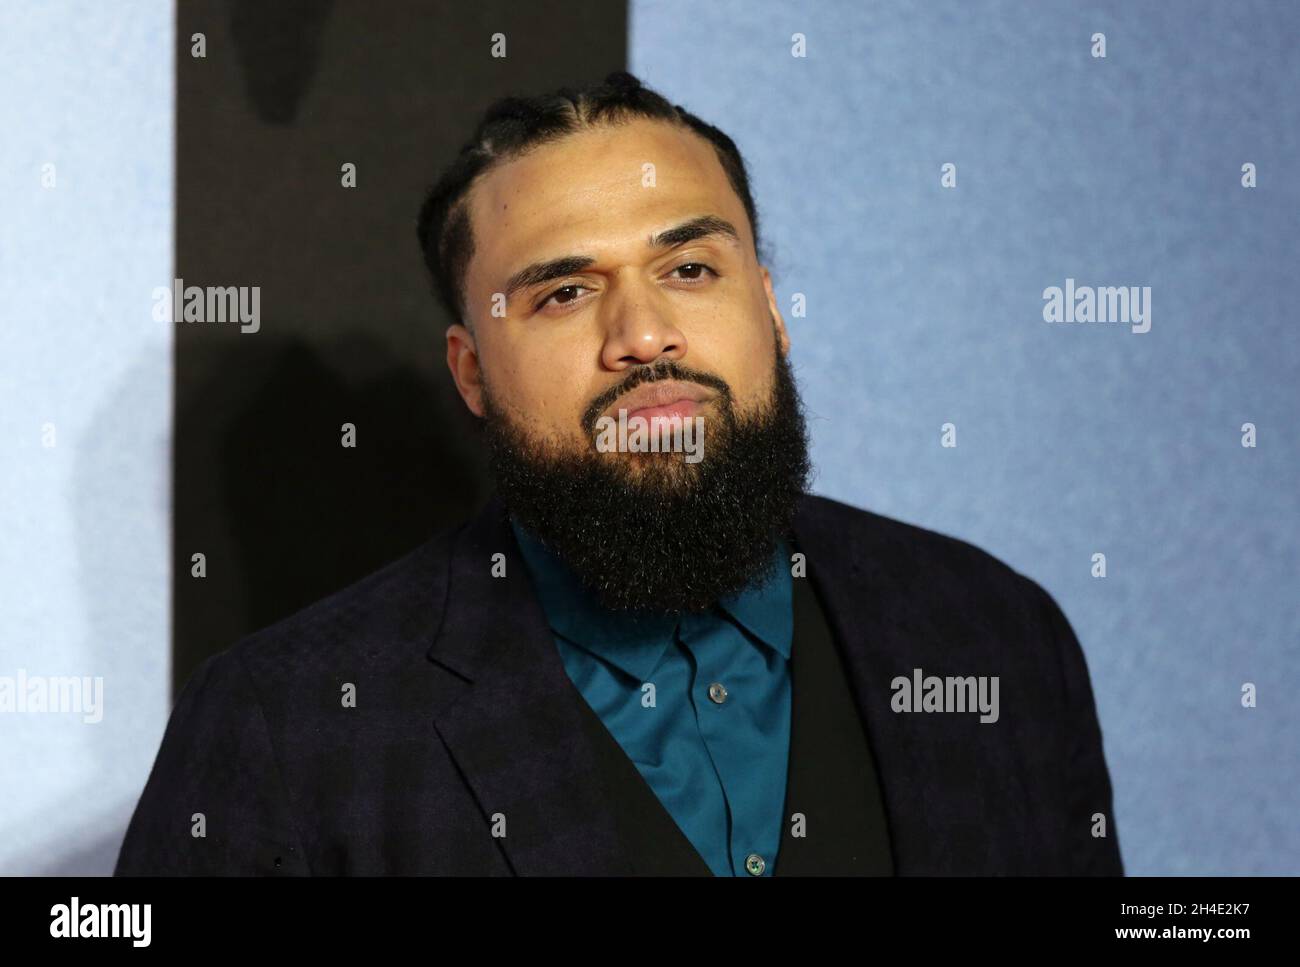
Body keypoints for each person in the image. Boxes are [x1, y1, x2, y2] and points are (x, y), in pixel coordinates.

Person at [115, 71, 1122, 876]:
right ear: (470, 371)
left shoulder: (992, 631)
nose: (643, 336)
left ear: (768, 307)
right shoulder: (282, 732)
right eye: (562, 293)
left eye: (689, 269)